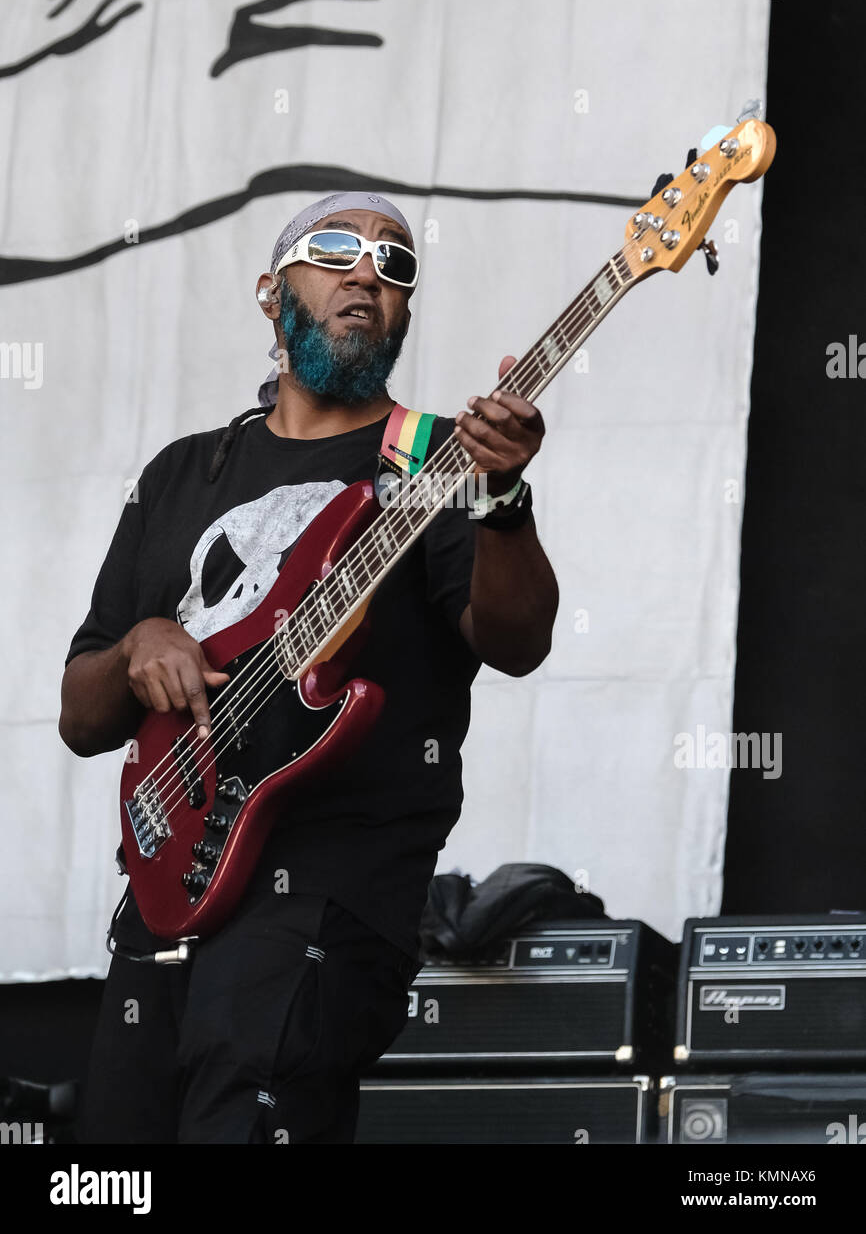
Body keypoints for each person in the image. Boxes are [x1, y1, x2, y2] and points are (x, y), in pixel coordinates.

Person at [59, 191, 559, 1144]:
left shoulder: (433, 462)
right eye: (334, 250)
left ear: (403, 311)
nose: (366, 274)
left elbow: (518, 643)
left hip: (332, 887)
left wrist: (502, 500)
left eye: (395, 264)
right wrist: (137, 646)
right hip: (173, 872)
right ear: (270, 291)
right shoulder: (183, 474)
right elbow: (81, 720)